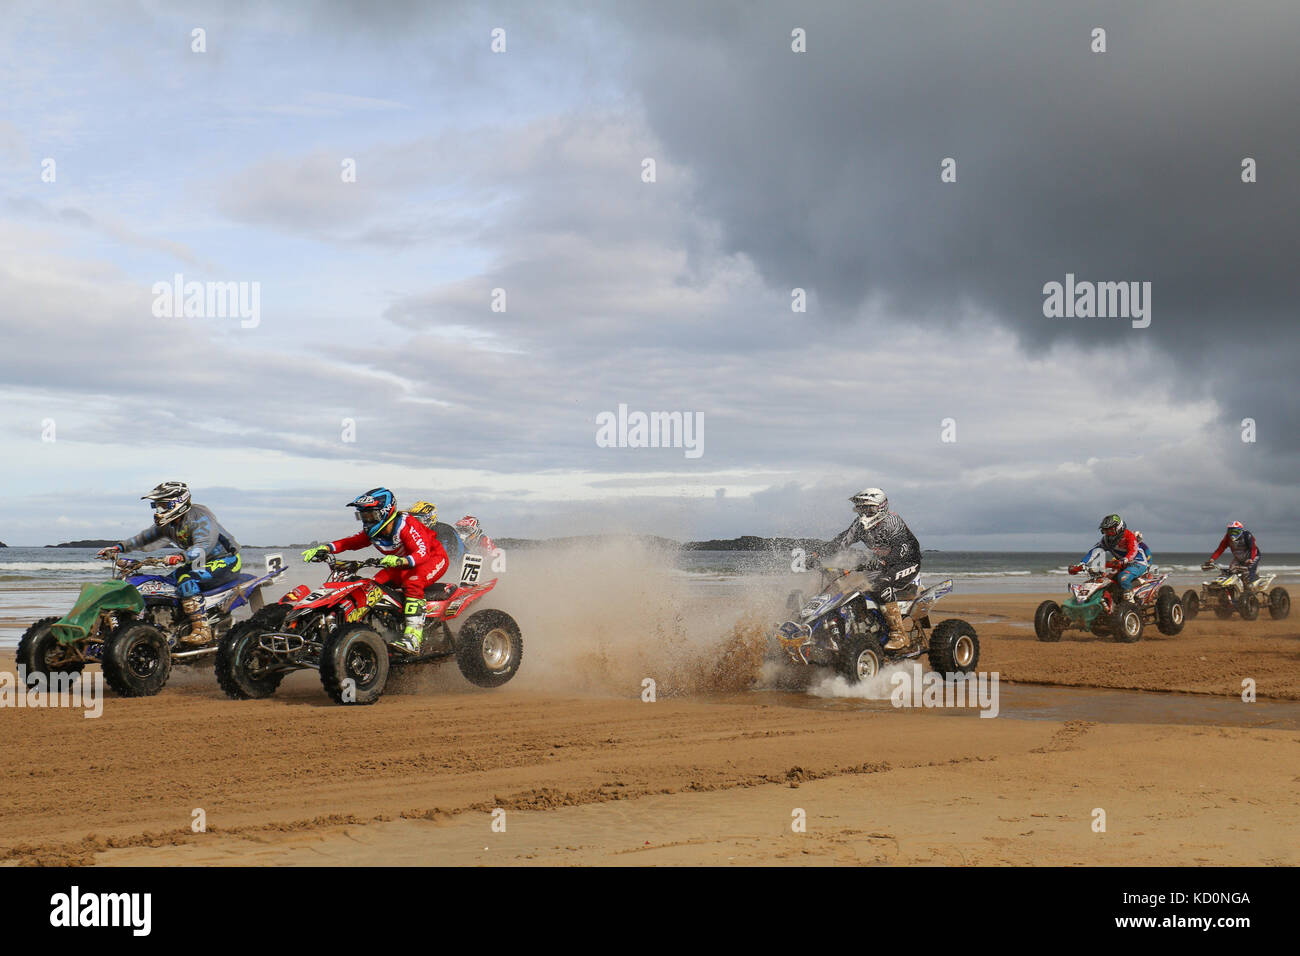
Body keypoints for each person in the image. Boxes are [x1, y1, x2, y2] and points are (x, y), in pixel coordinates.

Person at [301, 487, 449, 653]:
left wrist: (401, 560)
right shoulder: (374, 532)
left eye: (371, 515)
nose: (367, 520)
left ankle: (413, 637)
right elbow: (352, 542)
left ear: (385, 512)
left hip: (432, 559)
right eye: (363, 516)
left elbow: (422, 552)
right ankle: (372, 629)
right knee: (372, 586)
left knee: (412, 582)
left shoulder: (405, 525)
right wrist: (326, 548)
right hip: (401, 564)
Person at [95, 481, 242, 645]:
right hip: (199, 562)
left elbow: (204, 545)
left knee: (186, 580)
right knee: (168, 583)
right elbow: (143, 538)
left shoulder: (199, 518)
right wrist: (118, 548)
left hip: (225, 560)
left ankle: (202, 629)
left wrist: (180, 557)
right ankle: (174, 624)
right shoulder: (169, 524)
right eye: (157, 506)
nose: (159, 511)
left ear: (177, 503)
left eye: (163, 506)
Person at [829, 487, 922, 651]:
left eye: (869, 508)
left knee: (881, 585)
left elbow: (904, 548)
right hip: (883, 564)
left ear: (881, 507)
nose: (865, 512)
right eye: (861, 508)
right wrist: (817, 555)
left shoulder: (892, 522)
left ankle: (899, 635)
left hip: (906, 562)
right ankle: (866, 631)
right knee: (856, 590)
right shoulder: (860, 525)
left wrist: (883, 561)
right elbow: (841, 542)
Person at [1069, 514, 1147, 602]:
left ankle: (1130, 604)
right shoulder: (1106, 540)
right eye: (1105, 530)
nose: (1108, 533)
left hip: (1137, 563)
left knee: (1123, 578)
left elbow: (1133, 550)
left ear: (1119, 528)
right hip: (1121, 564)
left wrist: (1124, 560)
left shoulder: (1129, 536)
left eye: (1110, 530)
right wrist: (1081, 564)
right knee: (1106, 580)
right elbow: (1095, 551)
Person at [1205, 521, 1260, 585]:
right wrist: (1212, 559)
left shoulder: (1247, 535)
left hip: (1253, 555)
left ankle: (1251, 585)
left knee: (1249, 572)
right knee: (1231, 571)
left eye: (1235, 531)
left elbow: (1253, 548)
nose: (1232, 534)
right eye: (1230, 531)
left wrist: (1251, 559)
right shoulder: (1227, 537)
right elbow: (1220, 549)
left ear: (1240, 530)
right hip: (1238, 557)